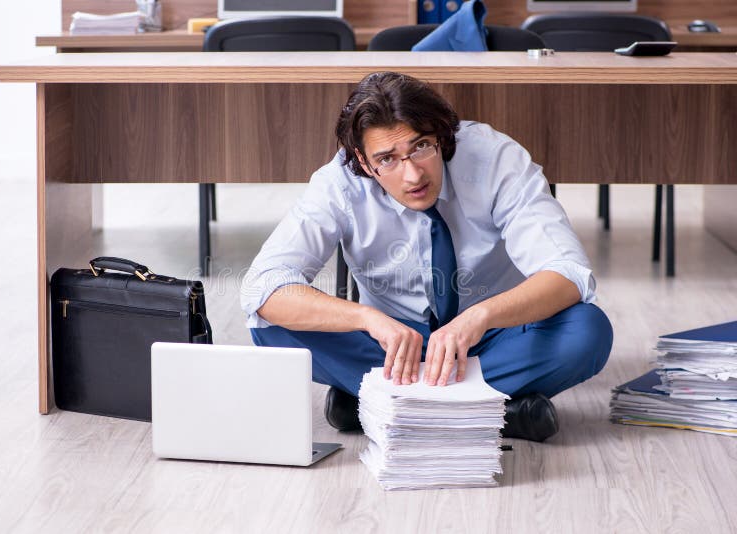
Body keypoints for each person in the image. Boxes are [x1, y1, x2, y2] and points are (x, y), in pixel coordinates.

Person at [240, 72, 612, 442]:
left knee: (586, 330)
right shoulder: (338, 183)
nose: (412, 174)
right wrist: (366, 318)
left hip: (493, 335)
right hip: (392, 344)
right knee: (270, 328)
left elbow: (567, 273)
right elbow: (265, 286)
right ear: (364, 162)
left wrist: (480, 316)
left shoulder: (497, 159)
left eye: (421, 147)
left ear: (442, 135)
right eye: (387, 159)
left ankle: (378, 401)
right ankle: (493, 410)